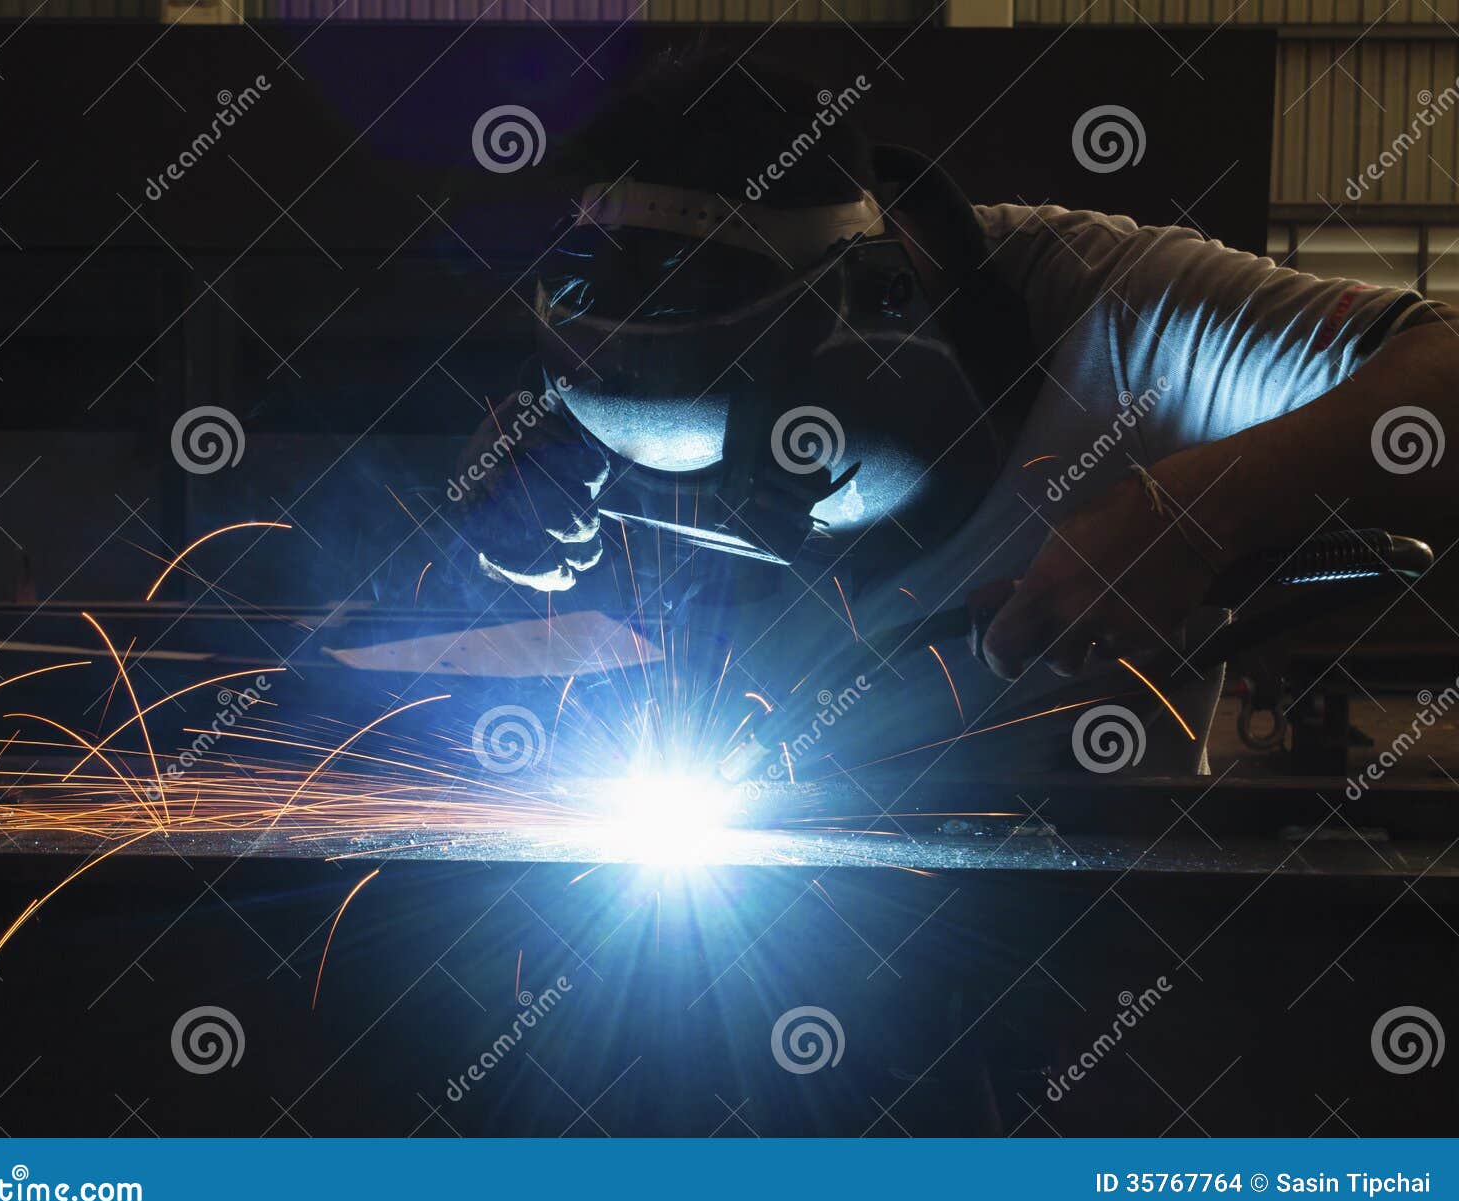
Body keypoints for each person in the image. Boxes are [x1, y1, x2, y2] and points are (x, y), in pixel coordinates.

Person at [456, 49, 1455, 774]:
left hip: (1088, 916)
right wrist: (512, 514)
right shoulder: (602, 385)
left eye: (756, 458)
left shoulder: (1125, 315)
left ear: (877, 310)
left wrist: (1188, 510)